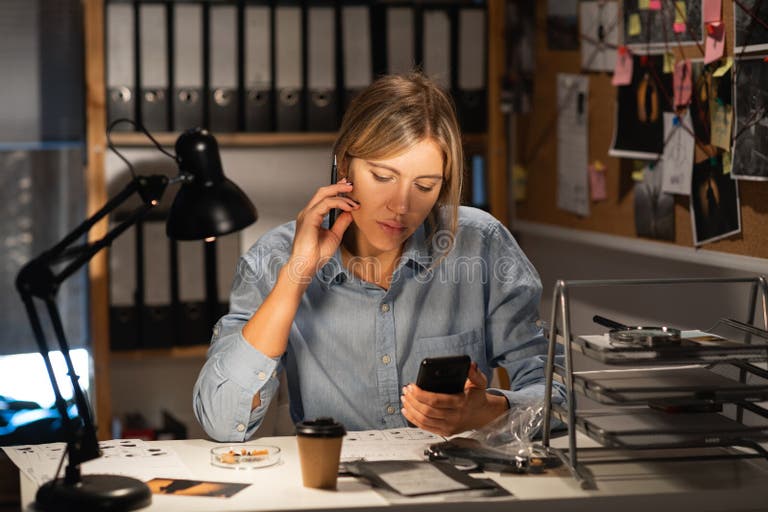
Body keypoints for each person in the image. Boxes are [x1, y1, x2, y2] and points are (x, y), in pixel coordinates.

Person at [193, 73, 564, 442]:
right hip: (337, 489)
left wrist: (489, 411)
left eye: (424, 186)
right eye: (383, 176)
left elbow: (562, 395)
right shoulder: (273, 258)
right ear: (344, 162)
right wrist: (296, 276)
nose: (401, 206)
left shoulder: (481, 244)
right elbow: (223, 421)